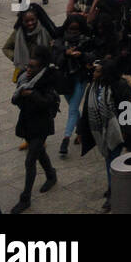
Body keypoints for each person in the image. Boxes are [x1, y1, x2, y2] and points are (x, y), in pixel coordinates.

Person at [74, 56, 131, 209]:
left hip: (115, 131)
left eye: (97, 71)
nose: (94, 73)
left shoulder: (120, 87)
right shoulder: (94, 87)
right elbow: (87, 110)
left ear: (105, 73)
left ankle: (113, 192)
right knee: (108, 159)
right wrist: (81, 131)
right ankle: (113, 188)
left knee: (112, 161)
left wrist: (125, 131)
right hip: (100, 130)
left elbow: (127, 109)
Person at [8, 47, 61, 214]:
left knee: (30, 160)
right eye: (28, 66)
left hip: (41, 125)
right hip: (27, 123)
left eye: (33, 67)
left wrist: (31, 94)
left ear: (42, 68)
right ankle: (51, 175)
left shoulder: (47, 81)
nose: (28, 69)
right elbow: (16, 100)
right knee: (39, 153)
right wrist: (23, 95)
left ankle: (25, 198)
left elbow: (47, 102)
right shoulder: (24, 79)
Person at [52, 14, 94, 158]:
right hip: (64, 80)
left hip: (80, 78)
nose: (74, 32)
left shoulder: (87, 41)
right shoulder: (60, 41)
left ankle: (66, 139)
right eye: (71, 29)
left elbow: (91, 57)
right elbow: (55, 59)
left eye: (77, 30)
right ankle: (82, 131)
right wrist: (65, 54)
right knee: (74, 109)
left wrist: (81, 55)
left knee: (73, 109)